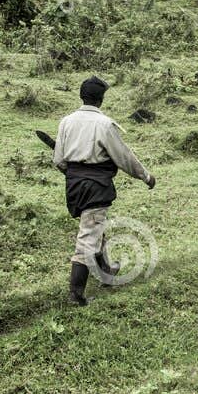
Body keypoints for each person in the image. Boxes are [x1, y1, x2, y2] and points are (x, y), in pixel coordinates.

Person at [53, 76, 155, 306]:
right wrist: (146, 177)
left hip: (74, 185)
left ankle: (107, 272)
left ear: (81, 96)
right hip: (97, 185)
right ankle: (75, 295)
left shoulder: (66, 122)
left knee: (95, 226)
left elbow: (59, 160)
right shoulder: (105, 125)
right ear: (101, 99)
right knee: (88, 237)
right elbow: (124, 158)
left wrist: (74, 173)